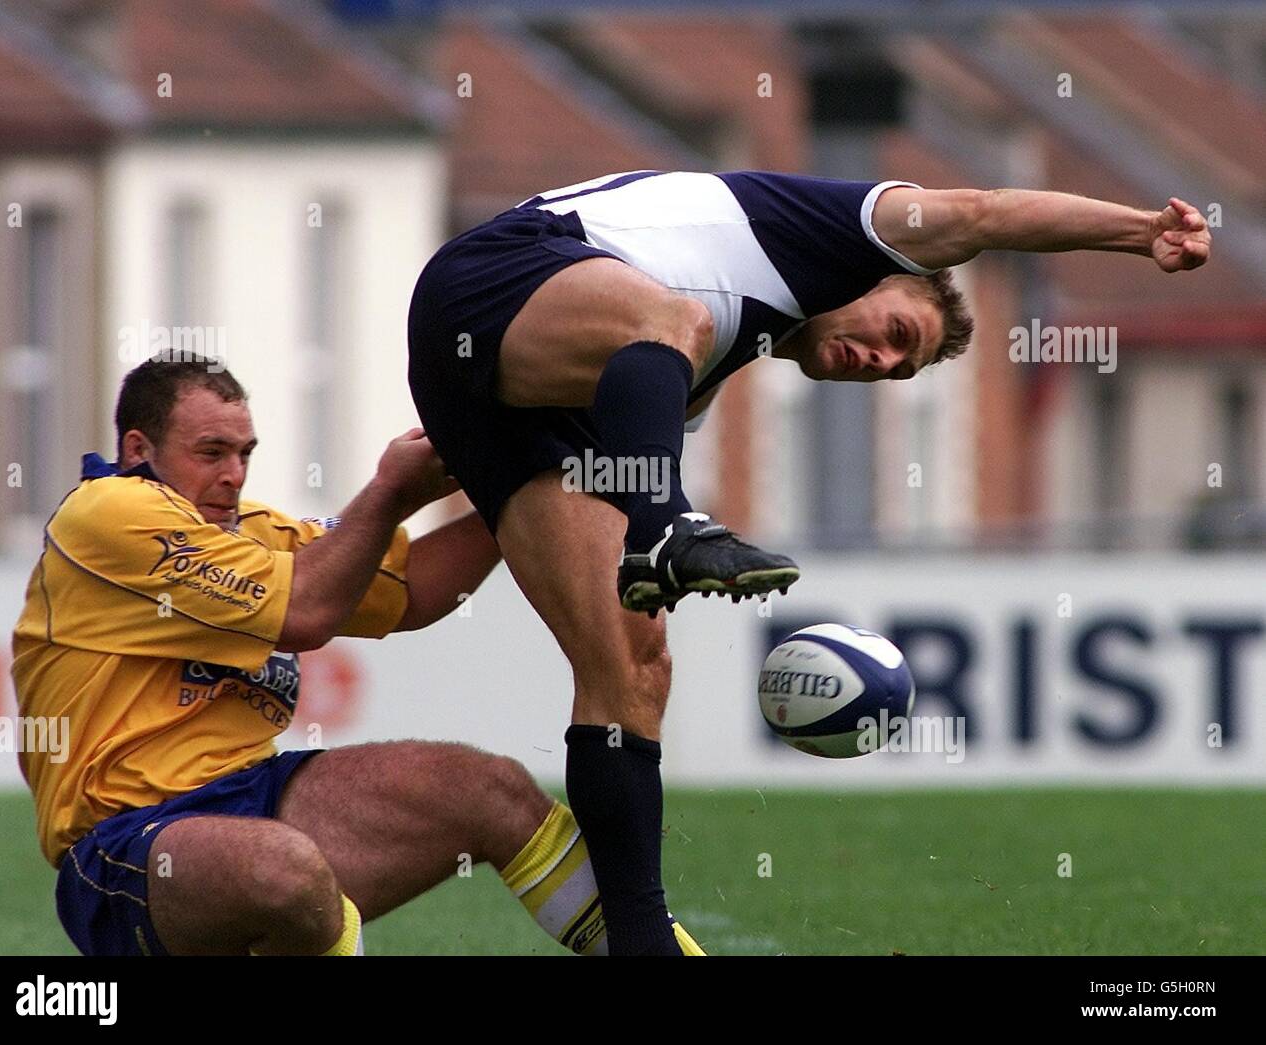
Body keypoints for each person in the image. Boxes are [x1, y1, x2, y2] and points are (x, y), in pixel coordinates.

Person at [405, 169, 1212, 954]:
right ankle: (665, 530)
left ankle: (640, 942)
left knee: (632, 666)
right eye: (899, 335)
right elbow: (983, 213)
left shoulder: (698, 371)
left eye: (901, 371)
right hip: (493, 278)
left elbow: (616, 420)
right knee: (672, 324)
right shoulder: (843, 228)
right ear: (885, 274)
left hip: (511, 397)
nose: (885, 363)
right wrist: (1142, 233)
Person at [12, 355, 703, 956]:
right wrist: (391, 491)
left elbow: (416, 591)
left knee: (490, 791)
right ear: (139, 448)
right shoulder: (107, 511)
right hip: (123, 844)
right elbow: (308, 609)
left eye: (245, 452)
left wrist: (527, 477)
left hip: (254, 795)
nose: (234, 473)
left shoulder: (246, 528)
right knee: (289, 873)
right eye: (211, 451)